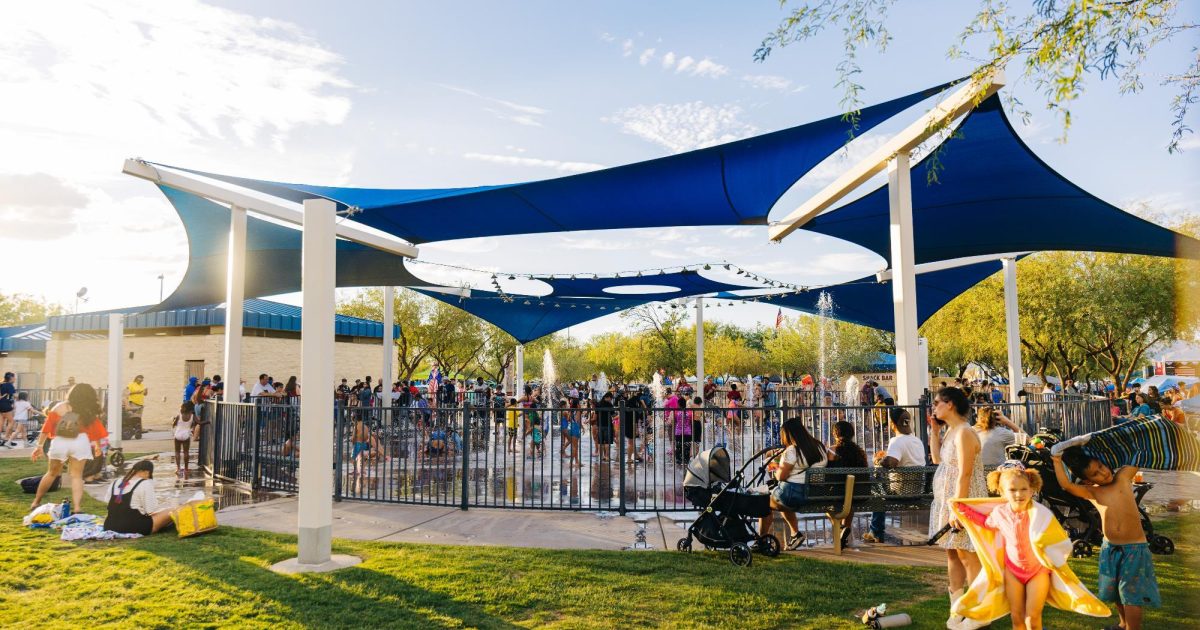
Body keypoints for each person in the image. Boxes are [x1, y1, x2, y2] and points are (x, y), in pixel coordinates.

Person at [950, 462, 1108, 629]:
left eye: (1024, 489)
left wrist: (1052, 552)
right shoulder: (999, 513)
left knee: (1032, 618)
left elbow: (1057, 537)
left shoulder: (1040, 513)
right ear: (1002, 491)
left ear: (1032, 489)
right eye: (1012, 490)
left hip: (1037, 572)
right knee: (1017, 618)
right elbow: (985, 523)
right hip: (1013, 573)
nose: (1019, 494)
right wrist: (963, 509)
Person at [1052, 443, 1160, 630]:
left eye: (1101, 467)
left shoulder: (1123, 478)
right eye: (1095, 474)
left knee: (1131, 594)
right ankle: (1123, 624)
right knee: (1116, 592)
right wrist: (1056, 459)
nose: (1103, 473)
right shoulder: (1093, 492)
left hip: (1134, 548)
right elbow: (1066, 485)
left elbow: (1139, 455)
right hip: (1110, 548)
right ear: (1087, 481)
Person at [928, 387, 987, 630]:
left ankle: (979, 612)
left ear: (949, 404)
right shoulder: (952, 431)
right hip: (947, 501)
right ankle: (958, 608)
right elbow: (936, 460)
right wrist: (934, 432)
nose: (934, 408)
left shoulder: (964, 432)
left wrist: (958, 506)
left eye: (936, 403)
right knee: (952, 552)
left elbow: (965, 472)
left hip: (963, 500)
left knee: (967, 554)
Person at [29, 383, 104, 513]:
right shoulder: (88, 410)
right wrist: (97, 446)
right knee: (77, 476)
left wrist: (39, 446)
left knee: (52, 473)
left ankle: (36, 502)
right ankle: (77, 508)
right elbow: (96, 430)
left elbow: (46, 428)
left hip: (61, 441)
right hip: (80, 441)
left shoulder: (60, 406)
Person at [757, 418, 826, 551]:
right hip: (814, 494)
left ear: (788, 435)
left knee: (763, 501)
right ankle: (795, 534)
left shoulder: (793, 450)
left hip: (794, 495)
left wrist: (775, 467)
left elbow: (781, 476)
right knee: (780, 498)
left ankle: (761, 539)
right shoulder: (819, 447)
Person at [865, 407, 927, 543]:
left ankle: (875, 531)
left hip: (899, 491)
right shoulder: (917, 441)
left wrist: (879, 460)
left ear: (892, 424)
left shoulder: (896, 441)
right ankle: (874, 531)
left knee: (876, 490)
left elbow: (891, 463)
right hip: (917, 489)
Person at [826, 420, 868, 548]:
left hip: (836, 493)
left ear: (835, 434)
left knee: (827, 504)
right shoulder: (861, 452)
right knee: (849, 500)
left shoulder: (832, 451)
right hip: (857, 494)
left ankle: (840, 528)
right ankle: (845, 528)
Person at [103, 460, 175, 535]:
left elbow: (108, 502)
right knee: (173, 510)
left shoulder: (115, 482)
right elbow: (150, 509)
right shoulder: (145, 483)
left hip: (109, 526)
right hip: (134, 527)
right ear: (147, 472)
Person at [171, 403, 198, 475]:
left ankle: (178, 468)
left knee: (177, 452)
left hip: (177, 435)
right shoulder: (192, 416)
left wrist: (173, 421)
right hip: (186, 435)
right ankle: (186, 469)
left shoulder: (179, 415)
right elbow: (198, 422)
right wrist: (207, 422)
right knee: (186, 452)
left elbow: (173, 424)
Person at [1, 372, 16, 447]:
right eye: (14, 377)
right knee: (11, 422)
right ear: (11, 378)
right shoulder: (9, 385)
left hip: (0, 405)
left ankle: (7, 439)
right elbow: (14, 395)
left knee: (1, 422)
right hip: (6, 405)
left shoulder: (1, 384)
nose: (15, 379)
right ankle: (6, 438)